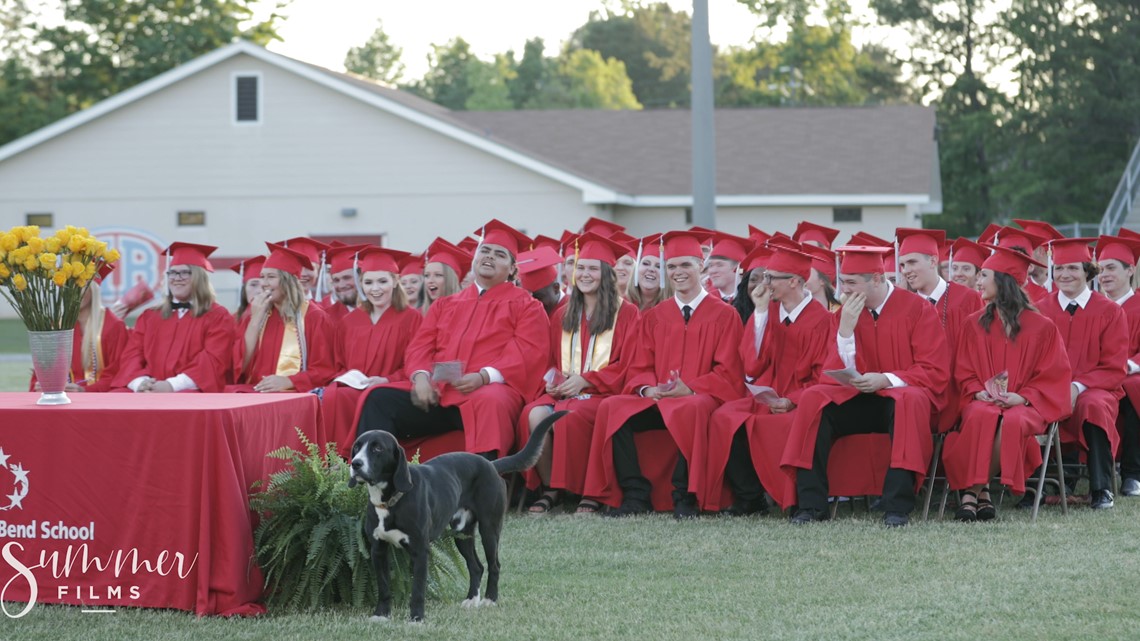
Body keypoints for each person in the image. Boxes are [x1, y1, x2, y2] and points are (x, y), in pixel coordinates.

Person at [782, 245, 950, 528]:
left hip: (897, 399)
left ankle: (897, 506)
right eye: (842, 282)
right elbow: (833, 369)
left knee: (909, 400)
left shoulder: (918, 309)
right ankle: (811, 505)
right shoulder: (843, 312)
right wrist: (845, 328)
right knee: (813, 398)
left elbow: (933, 369)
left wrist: (885, 379)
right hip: (857, 397)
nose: (844, 291)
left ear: (876, 278)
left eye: (851, 282)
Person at [355, 219, 550, 459]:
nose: (489, 257)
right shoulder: (446, 304)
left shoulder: (527, 306)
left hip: (487, 392)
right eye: (485, 251)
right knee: (379, 398)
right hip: (440, 393)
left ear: (512, 269)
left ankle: (485, 487)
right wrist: (421, 377)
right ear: (475, 259)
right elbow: (420, 347)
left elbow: (527, 353)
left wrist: (483, 377)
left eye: (499, 254)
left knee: (492, 401)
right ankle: (376, 478)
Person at [584, 231, 745, 519]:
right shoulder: (656, 316)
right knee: (612, 407)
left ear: (701, 266)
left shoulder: (724, 315)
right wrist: (648, 389)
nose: (677, 272)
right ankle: (635, 494)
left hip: (701, 398)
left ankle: (684, 495)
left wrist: (691, 387)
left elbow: (728, 371)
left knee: (693, 408)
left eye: (685, 265)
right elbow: (639, 366)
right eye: (671, 267)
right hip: (658, 397)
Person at [942, 246, 1072, 521]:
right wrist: (977, 392)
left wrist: (1022, 397)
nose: (977, 281)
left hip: (1025, 405)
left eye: (984, 275)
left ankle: (971, 493)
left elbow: (1055, 376)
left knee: (1012, 420)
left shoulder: (1042, 327)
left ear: (1003, 280)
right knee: (981, 415)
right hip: (983, 401)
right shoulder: (973, 324)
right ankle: (984, 493)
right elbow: (962, 370)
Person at [702, 246, 831, 514]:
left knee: (784, 425)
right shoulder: (768, 312)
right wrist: (760, 313)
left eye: (771, 278)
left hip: (801, 400)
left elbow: (824, 375)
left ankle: (795, 500)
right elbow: (751, 364)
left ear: (794, 281)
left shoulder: (823, 321)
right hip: (766, 396)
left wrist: (793, 400)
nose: (764, 283)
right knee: (724, 417)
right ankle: (750, 497)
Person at [519, 233, 640, 514]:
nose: (585, 274)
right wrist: (552, 384)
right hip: (564, 391)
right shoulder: (563, 313)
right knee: (533, 414)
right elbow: (549, 361)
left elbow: (629, 364)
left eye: (593, 269)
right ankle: (553, 488)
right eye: (581, 268)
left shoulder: (628, 313)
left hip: (602, 391)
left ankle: (590, 490)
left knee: (570, 415)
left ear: (606, 273)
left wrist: (587, 380)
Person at [1037, 237, 1128, 509]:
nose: (1064, 274)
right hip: (1051, 387)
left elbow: (1114, 367)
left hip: (1097, 389)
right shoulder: (1041, 310)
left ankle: (1101, 488)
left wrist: (1077, 387)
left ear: (1088, 272)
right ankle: (1038, 488)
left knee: (1093, 406)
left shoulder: (1110, 312)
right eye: (1059, 268)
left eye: (1073, 268)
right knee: (1036, 405)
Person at [323, 247, 423, 457]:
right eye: (368, 282)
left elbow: (416, 363)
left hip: (391, 388)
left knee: (367, 397)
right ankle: (337, 464)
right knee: (336, 395)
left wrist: (386, 380)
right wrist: (348, 378)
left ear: (395, 281)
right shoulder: (349, 322)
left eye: (382, 281)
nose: (375, 289)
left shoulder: (411, 318)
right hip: (353, 389)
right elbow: (338, 366)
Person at [113, 242, 236, 393]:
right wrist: (140, 382)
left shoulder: (218, 316)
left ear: (199, 277)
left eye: (184, 272)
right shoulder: (150, 316)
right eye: (172, 273)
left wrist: (172, 385)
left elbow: (212, 359)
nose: (177, 278)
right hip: (149, 388)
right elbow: (133, 354)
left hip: (190, 389)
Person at [896, 228, 983, 432]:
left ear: (933, 261)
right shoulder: (902, 305)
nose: (906, 270)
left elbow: (977, 352)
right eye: (902, 264)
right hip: (916, 391)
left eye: (912, 262)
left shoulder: (967, 299)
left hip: (957, 390)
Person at [231, 243, 336, 393]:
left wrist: (290, 381)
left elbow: (325, 370)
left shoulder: (314, 317)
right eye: (262, 277)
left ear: (288, 281)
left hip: (291, 395)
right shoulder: (256, 313)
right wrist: (255, 320)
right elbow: (240, 365)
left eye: (271, 277)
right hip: (254, 391)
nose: (264, 284)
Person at [32, 263, 129, 393]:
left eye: (81, 285)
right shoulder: (55, 327)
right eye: (69, 285)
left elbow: (117, 373)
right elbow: (41, 370)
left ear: (93, 288)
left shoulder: (113, 326)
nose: (74, 291)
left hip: (99, 399)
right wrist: (41, 385)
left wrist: (85, 391)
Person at [1098, 234, 1140, 497]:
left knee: (1135, 388)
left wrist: (1130, 365)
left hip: (1129, 375)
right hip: (1096, 378)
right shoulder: (1091, 305)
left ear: (1131, 269)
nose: (1104, 275)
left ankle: (1132, 473)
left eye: (1111, 268)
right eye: (1100, 270)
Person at [420, 237, 469, 315]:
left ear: (451, 279)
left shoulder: (465, 312)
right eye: (426, 275)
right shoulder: (420, 315)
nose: (430, 280)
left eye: (438, 275)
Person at [276, 236, 329, 304]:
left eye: (310, 267)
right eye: (297, 267)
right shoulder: (271, 310)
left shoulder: (324, 311)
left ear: (317, 272)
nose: (303, 274)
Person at [323, 244, 367, 324]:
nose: (341, 285)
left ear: (361, 277)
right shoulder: (327, 318)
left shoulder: (378, 312)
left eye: (347, 278)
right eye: (336, 280)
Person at [517, 246, 566, 317]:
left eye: (539, 297)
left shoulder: (572, 310)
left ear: (556, 288)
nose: (533, 303)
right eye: (528, 297)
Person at [626, 234, 669, 311]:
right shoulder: (619, 305)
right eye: (646, 263)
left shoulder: (672, 309)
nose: (651, 269)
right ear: (637, 268)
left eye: (658, 266)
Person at [704, 232, 750, 303]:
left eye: (719, 265)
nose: (713, 271)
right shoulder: (705, 301)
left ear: (737, 267)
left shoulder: (750, 301)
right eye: (710, 265)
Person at [230, 255, 265, 321]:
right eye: (253, 285)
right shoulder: (233, 321)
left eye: (265, 286)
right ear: (244, 289)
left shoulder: (281, 319)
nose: (259, 291)